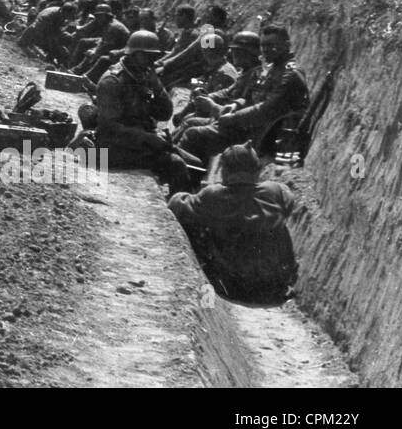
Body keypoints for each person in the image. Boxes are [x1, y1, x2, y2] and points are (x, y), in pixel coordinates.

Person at [168, 145, 297, 302]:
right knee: (278, 227)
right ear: (258, 171)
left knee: (195, 222)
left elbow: (176, 203)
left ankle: (203, 290)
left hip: (230, 287)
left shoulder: (213, 195)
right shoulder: (276, 191)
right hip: (273, 288)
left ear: (225, 171)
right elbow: (289, 203)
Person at [176, 27, 308, 165]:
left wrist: (232, 117)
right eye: (264, 45)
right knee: (193, 126)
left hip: (264, 136)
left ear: (286, 45)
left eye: (271, 45)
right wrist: (236, 104)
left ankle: (182, 176)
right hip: (250, 127)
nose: (266, 49)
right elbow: (251, 96)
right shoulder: (272, 69)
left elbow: (266, 109)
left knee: (193, 135)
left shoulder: (290, 74)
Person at [93, 30, 194, 190]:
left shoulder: (142, 76)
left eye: (153, 57)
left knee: (196, 164)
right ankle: (182, 207)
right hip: (113, 147)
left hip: (138, 141)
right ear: (134, 54)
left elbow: (165, 114)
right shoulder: (112, 81)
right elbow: (109, 127)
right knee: (177, 165)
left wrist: (157, 86)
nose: (151, 61)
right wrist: (147, 137)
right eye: (147, 56)